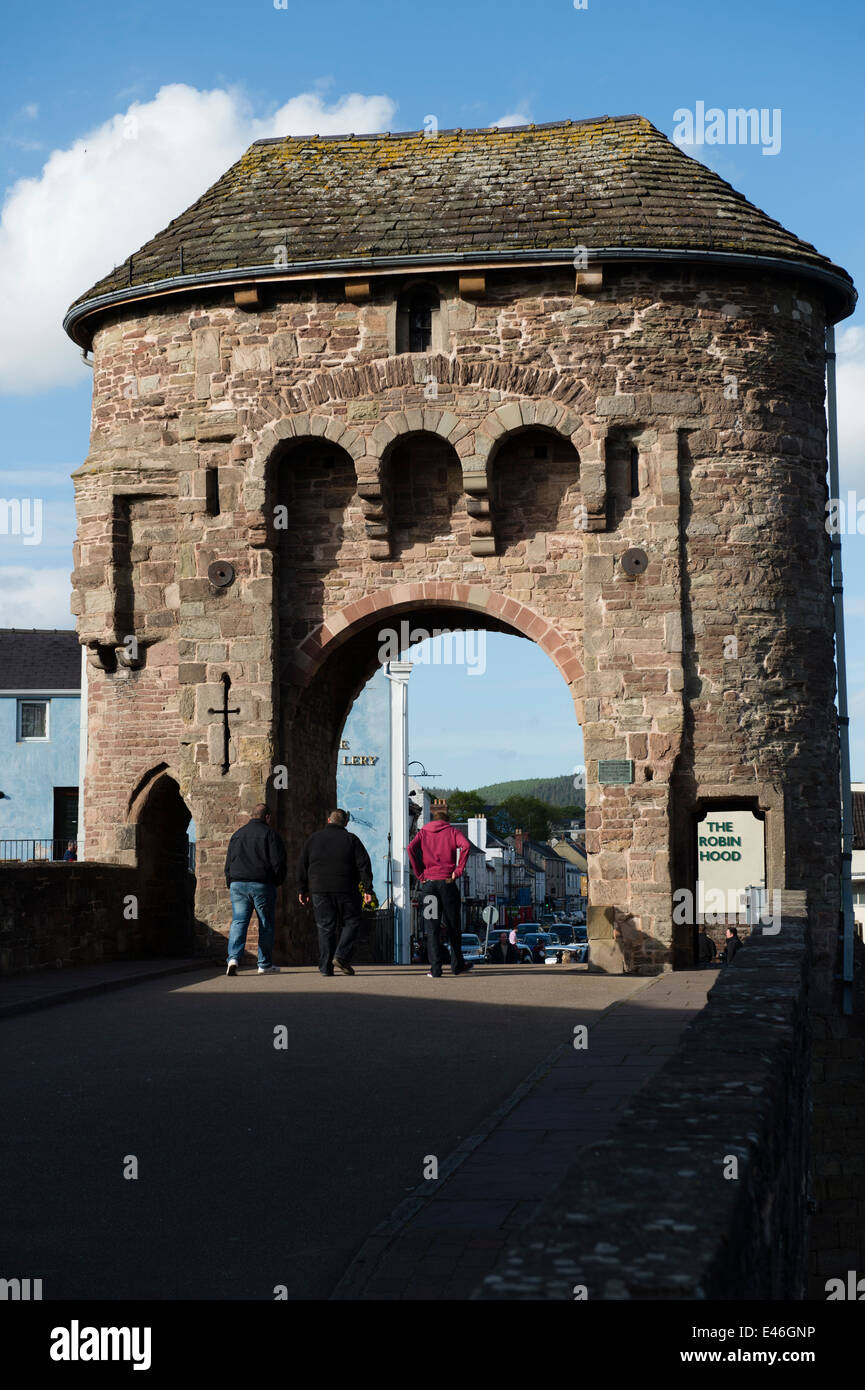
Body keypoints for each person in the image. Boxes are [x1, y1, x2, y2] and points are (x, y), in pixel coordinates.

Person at [297, 810, 373, 977]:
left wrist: (302, 888)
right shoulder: (352, 839)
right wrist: (368, 889)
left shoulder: (313, 839)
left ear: (329, 819)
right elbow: (363, 865)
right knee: (352, 921)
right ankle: (341, 956)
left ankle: (325, 967)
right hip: (346, 887)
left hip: (320, 889)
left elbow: (302, 864)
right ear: (345, 823)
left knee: (325, 927)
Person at [407, 805, 473, 978]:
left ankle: (435, 969)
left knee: (432, 928)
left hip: (429, 886)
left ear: (433, 820)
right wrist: (458, 870)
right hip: (447, 884)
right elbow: (465, 846)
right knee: (453, 926)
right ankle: (457, 965)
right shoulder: (452, 831)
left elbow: (410, 849)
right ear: (447, 821)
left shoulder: (423, 832)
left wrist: (420, 873)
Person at [224, 803, 287, 975]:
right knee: (265, 924)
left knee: (238, 922)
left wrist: (230, 881)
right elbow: (278, 863)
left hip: (238, 884)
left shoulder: (237, 835)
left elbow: (229, 862)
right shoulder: (270, 834)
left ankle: (233, 959)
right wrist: (277, 882)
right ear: (267, 817)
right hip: (262, 884)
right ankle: (264, 964)